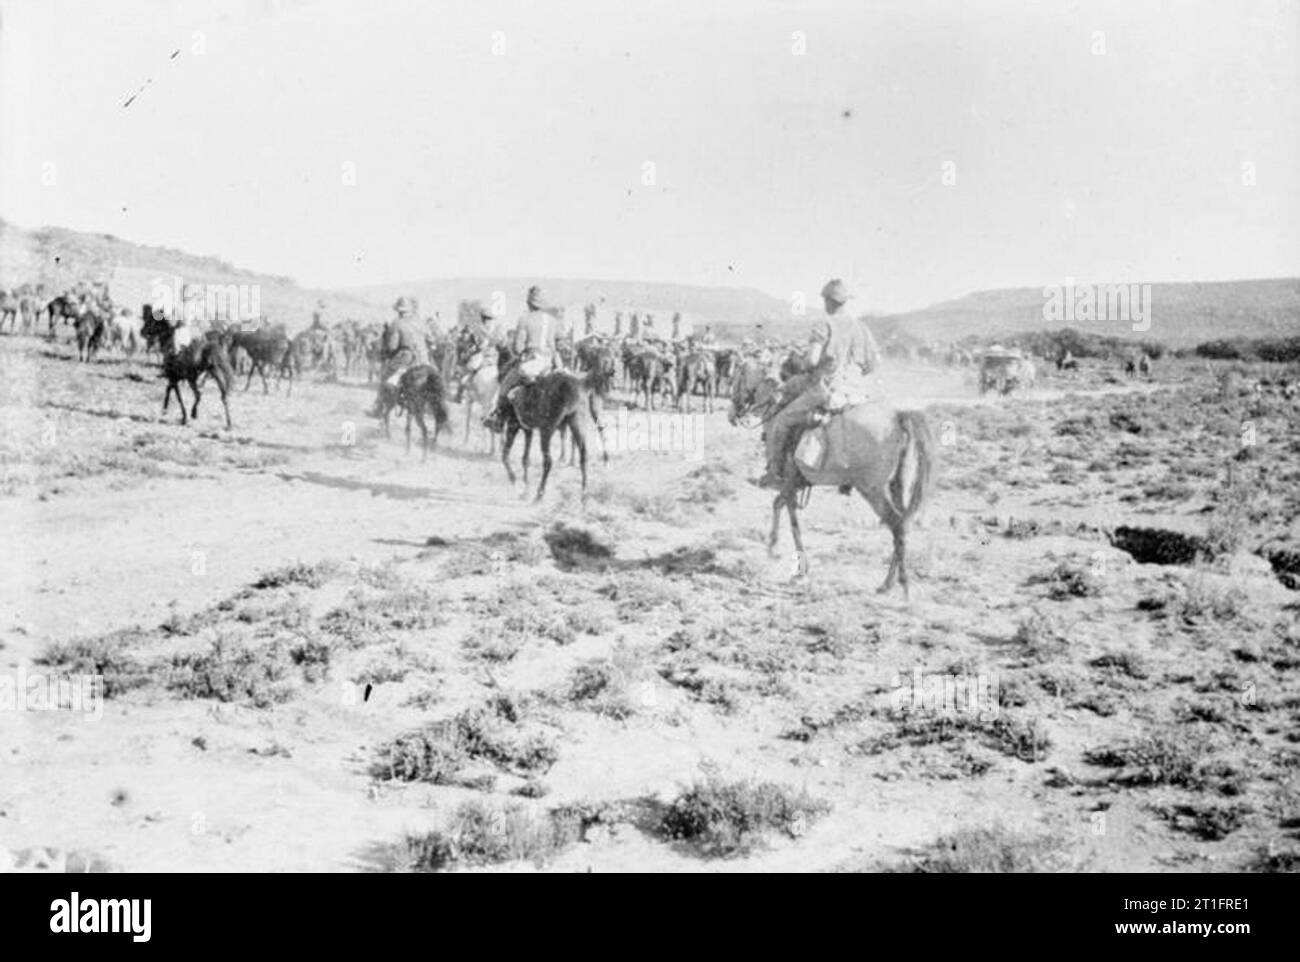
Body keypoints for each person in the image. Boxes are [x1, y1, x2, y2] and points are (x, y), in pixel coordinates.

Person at [755, 278, 882, 489]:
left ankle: (775, 473)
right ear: (845, 301)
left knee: (781, 422)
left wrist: (805, 363)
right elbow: (874, 363)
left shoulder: (824, 324)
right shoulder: (862, 328)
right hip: (858, 393)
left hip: (827, 390)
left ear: (827, 301)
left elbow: (812, 361)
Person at [483, 286, 559, 431]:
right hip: (548, 363)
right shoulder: (552, 321)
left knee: (505, 384)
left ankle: (497, 419)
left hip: (531, 362)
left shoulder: (525, 319)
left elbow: (518, 347)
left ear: (528, 303)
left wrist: (521, 352)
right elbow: (553, 345)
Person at [368, 297, 428, 417]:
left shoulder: (397, 323)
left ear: (398, 310)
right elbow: (429, 339)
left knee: (385, 377)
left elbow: (392, 346)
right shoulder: (420, 322)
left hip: (405, 357)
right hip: (423, 358)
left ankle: (380, 408)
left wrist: (387, 352)